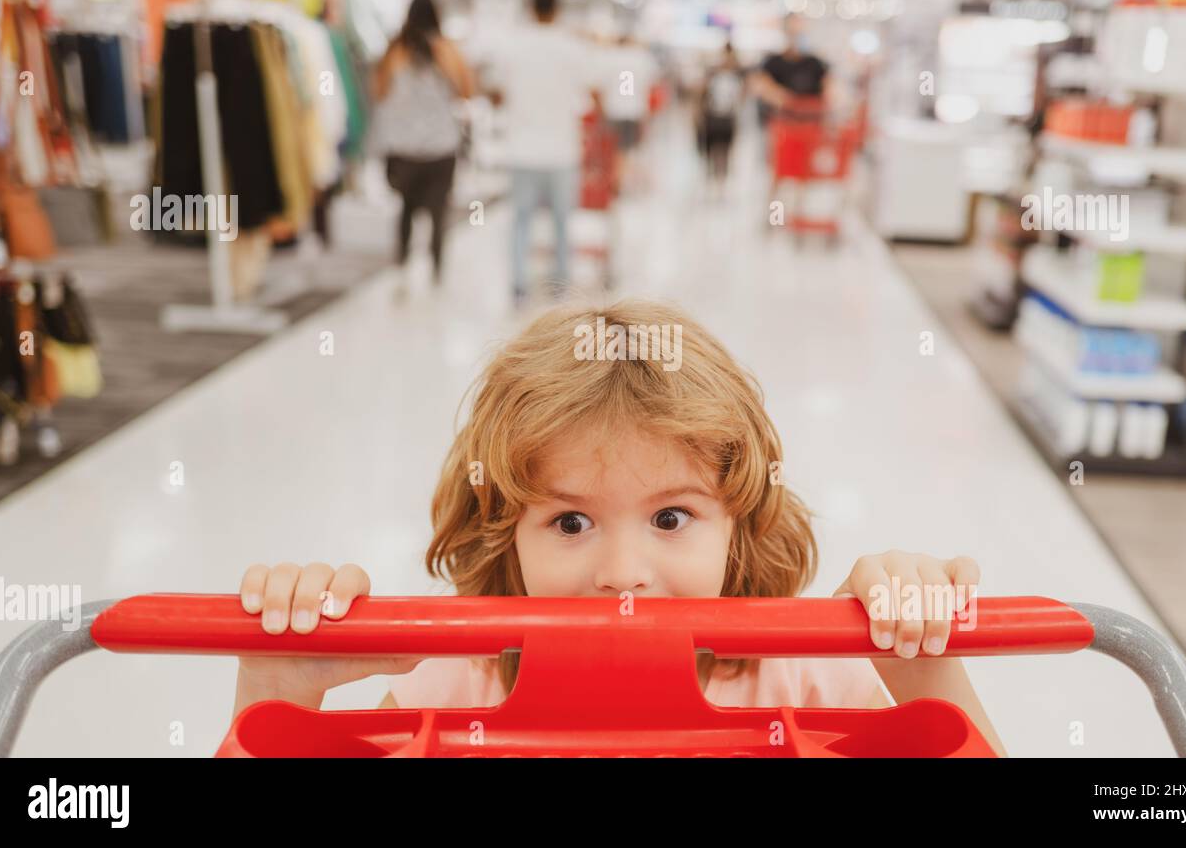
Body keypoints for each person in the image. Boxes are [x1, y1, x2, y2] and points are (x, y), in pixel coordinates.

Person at [229, 298, 1006, 757]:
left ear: (741, 522)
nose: (623, 572)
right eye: (570, 520)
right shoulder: (445, 690)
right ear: (506, 533)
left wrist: (921, 663)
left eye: (672, 516)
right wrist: (275, 692)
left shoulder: (812, 683)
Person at [483, 0, 600, 307]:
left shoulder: (513, 47)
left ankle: (519, 285)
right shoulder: (573, 48)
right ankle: (560, 284)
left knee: (520, 220)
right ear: (557, 10)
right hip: (563, 151)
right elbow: (592, 93)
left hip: (522, 150)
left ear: (531, 9)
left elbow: (495, 93)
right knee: (563, 221)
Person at [369, 0, 473, 288]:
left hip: (403, 148)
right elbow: (466, 91)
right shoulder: (447, 50)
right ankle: (437, 272)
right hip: (440, 147)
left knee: (405, 209)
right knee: (438, 213)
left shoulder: (394, 50)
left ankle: (402, 266)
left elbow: (378, 93)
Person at [597, 32, 658, 191]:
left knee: (614, 148)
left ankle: (617, 179)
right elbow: (650, 85)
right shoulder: (641, 58)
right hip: (634, 110)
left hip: (613, 110)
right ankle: (622, 179)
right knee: (627, 148)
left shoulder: (609, 57)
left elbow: (600, 85)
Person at [750, 14, 832, 126]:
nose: (795, 34)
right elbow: (759, 85)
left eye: (798, 29)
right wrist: (785, 99)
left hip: (812, 124)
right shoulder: (772, 63)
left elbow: (830, 88)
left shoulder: (815, 63)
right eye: (791, 30)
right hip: (782, 124)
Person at [696, 42, 744, 188]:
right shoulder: (712, 74)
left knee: (725, 150)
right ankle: (711, 178)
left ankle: (721, 181)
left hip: (728, 118)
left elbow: (741, 98)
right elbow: (700, 95)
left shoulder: (737, 75)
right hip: (712, 117)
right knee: (711, 150)